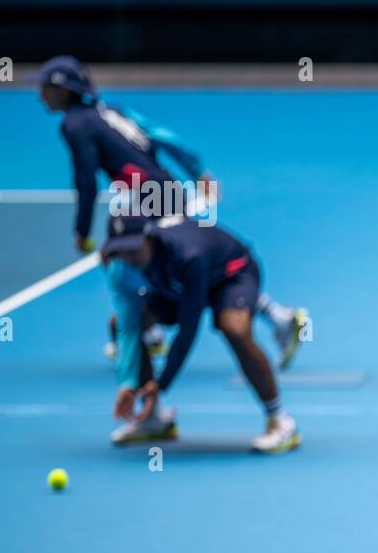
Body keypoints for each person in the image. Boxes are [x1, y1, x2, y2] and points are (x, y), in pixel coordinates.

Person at [33, 55, 306, 365]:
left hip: (152, 197)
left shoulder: (74, 124)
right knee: (151, 260)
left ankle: (150, 332)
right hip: (164, 188)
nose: (40, 95)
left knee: (135, 258)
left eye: (45, 88)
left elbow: (86, 182)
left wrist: (81, 231)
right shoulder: (110, 110)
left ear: (64, 90)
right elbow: (161, 135)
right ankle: (156, 330)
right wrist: (196, 170)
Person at [102, 214, 302, 454]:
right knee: (122, 323)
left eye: (133, 248)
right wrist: (128, 383)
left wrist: (162, 383)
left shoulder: (187, 255)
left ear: (149, 238)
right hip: (180, 284)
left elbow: (188, 327)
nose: (129, 257)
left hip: (230, 274)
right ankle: (153, 419)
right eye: (121, 250)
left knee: (233, 328)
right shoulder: (121, 270)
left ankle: (280, 420)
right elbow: (129, 326)